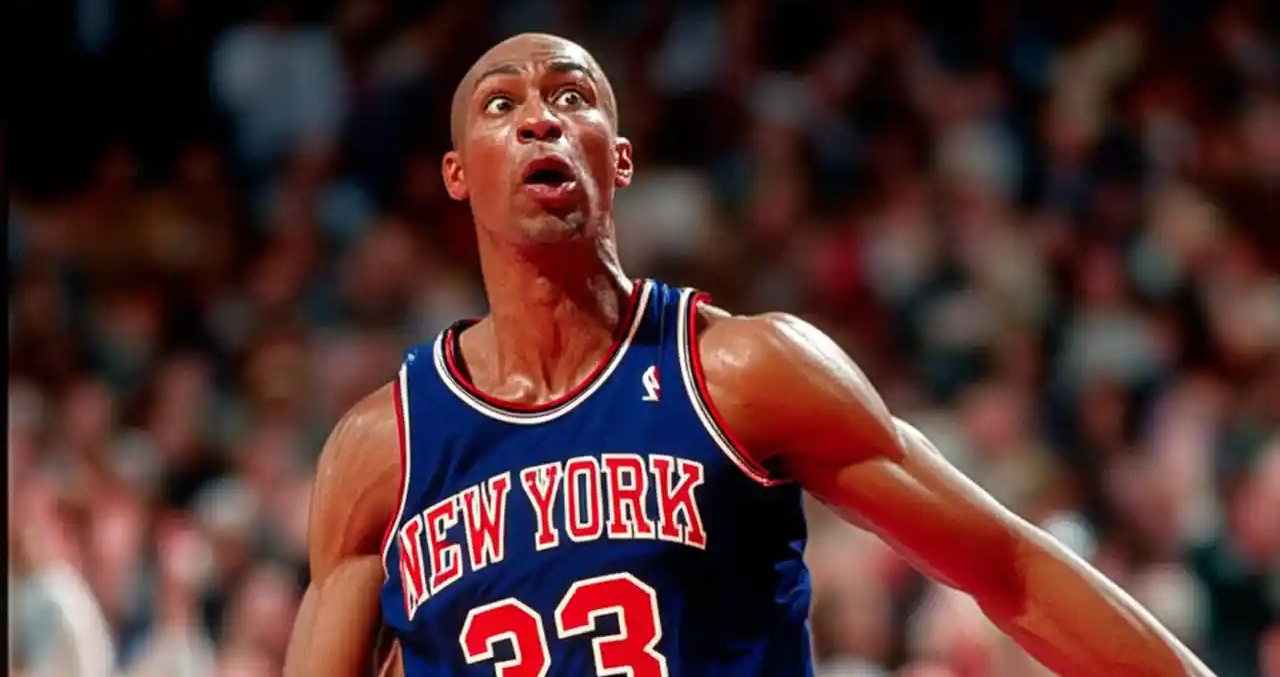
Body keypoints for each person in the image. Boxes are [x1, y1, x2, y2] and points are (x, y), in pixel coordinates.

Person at [283, 33, 1214, 677]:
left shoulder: (742, 370)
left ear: (620, 159)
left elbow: (1008, 569)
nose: (541, 119)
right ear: (457, 175)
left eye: (572, 97)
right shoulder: (383, 449)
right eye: (502, 104)